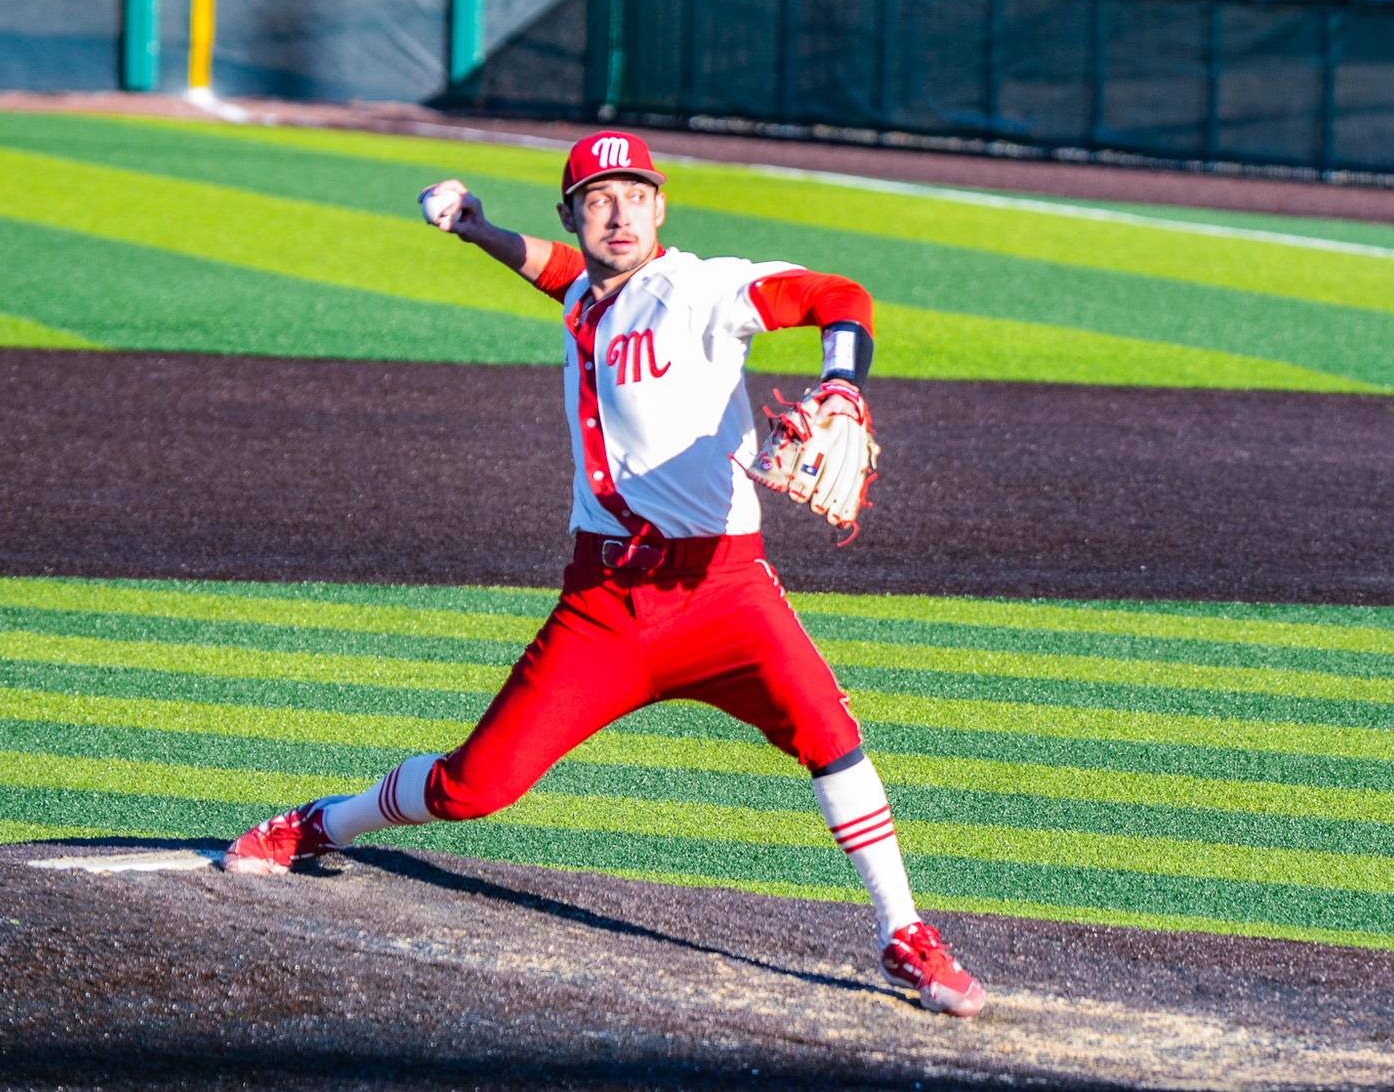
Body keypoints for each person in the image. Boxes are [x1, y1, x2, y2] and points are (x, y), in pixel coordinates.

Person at [224, 130, 985, 1019]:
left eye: (634, 195)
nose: (618, 214)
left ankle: (903, 932)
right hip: (604, 609)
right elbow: (561, 275)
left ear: (660, 207)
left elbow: (838, 296)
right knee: (473, 787)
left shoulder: (701, 290)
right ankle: (319, 823)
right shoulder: (588, 291)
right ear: (572, 215)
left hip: (724, 593)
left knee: (830, 732)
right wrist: (479, 230)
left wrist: (843, 387)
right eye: (597, 199)